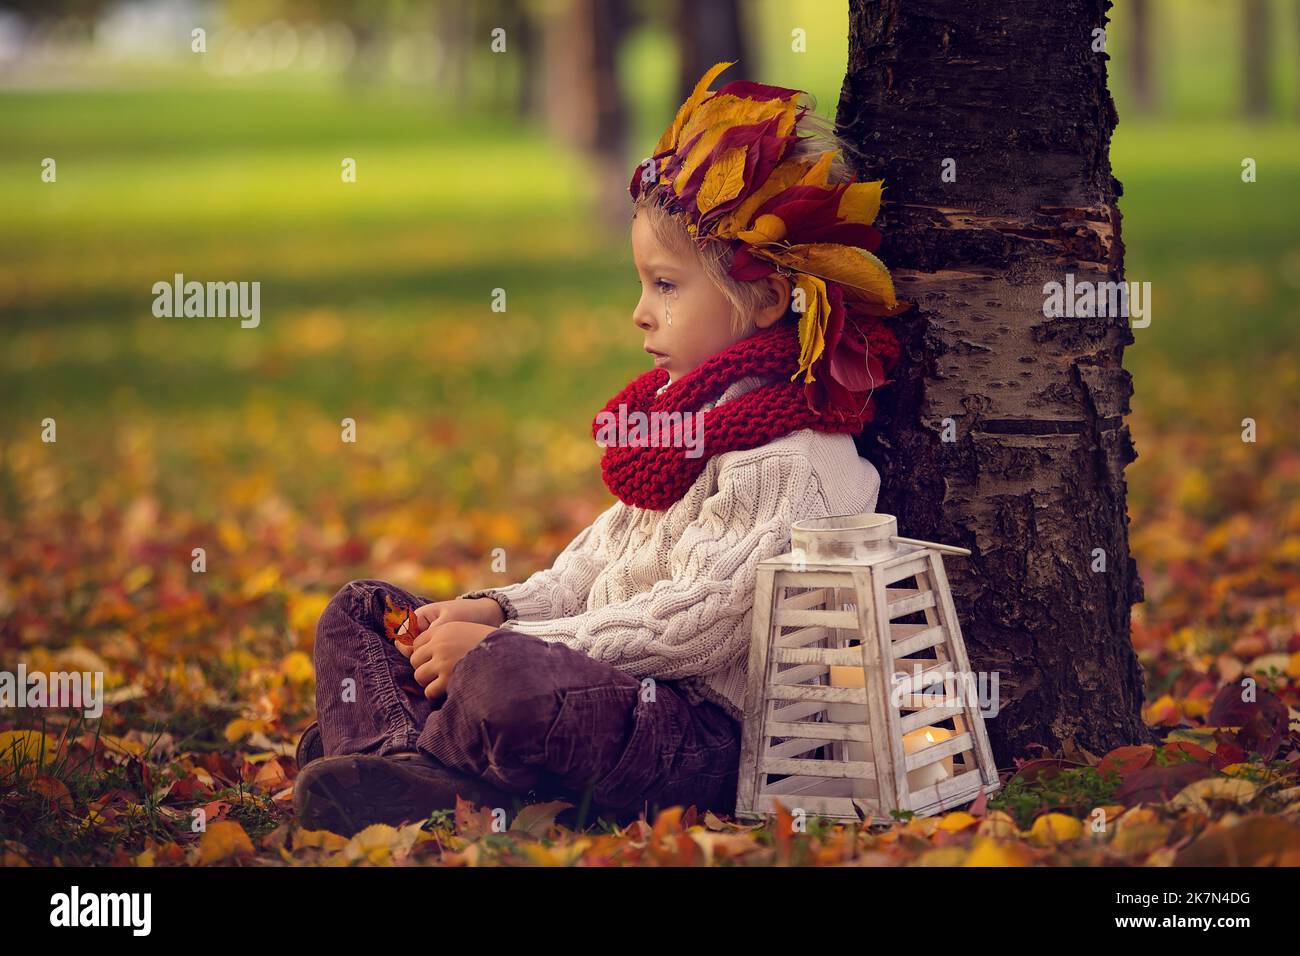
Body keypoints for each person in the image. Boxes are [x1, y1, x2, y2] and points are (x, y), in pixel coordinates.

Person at [293, 60, 907, 836]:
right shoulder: (684, 421)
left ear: (763, 298)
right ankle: (414, 769)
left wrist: (499, 642)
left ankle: (408, 766)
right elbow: (591, 571)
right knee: (360, 611)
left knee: (505, 678)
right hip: (601, 678)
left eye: (666, 286)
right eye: (642, 285)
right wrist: (496, 605)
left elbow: (695, 623)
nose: (639, 314)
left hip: (695, 732)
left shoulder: (789, 453)